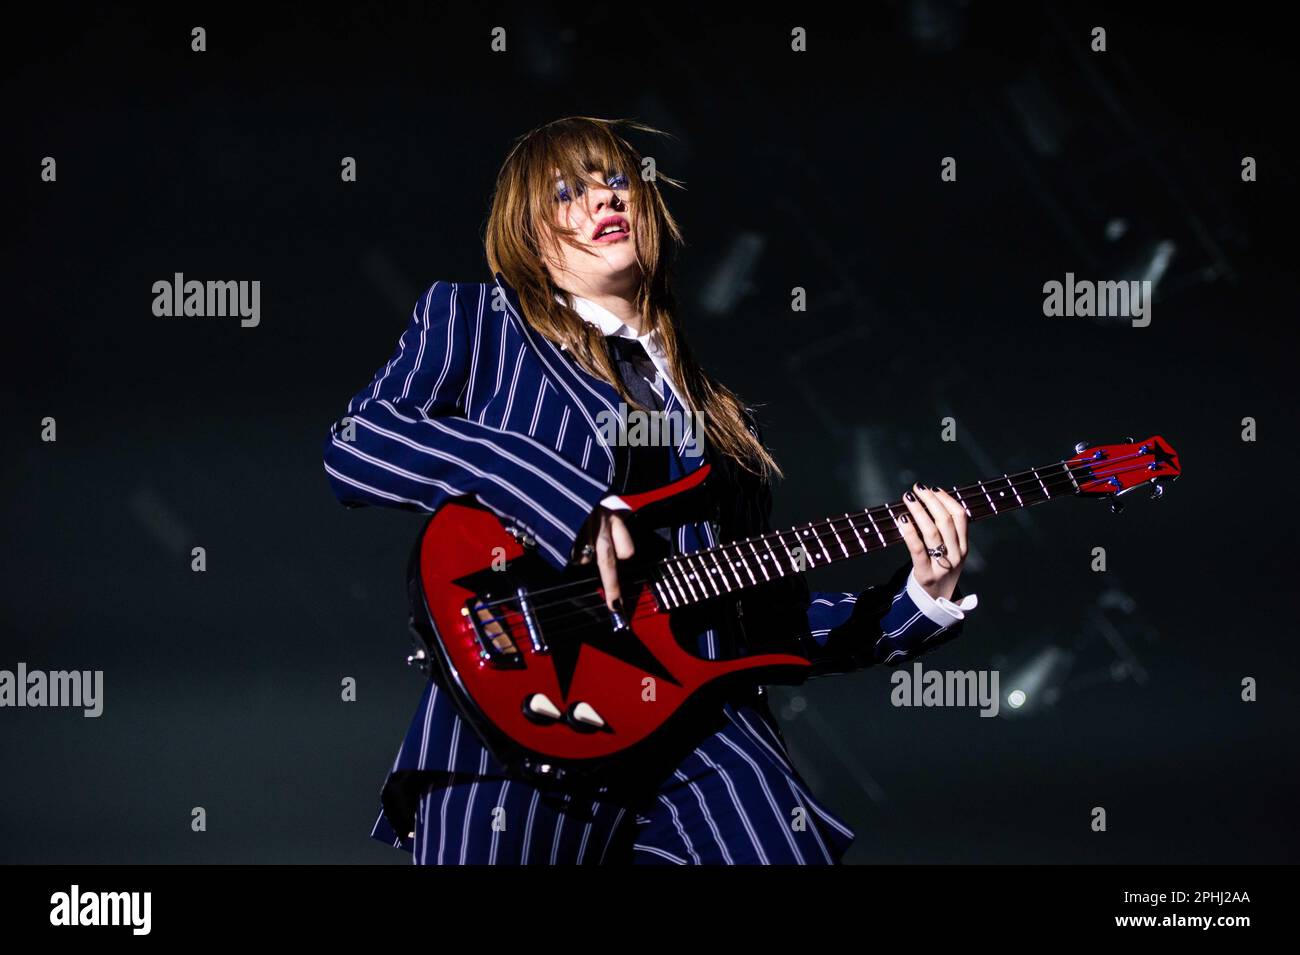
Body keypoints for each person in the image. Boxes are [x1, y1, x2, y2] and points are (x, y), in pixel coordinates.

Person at [321, 116, 978, 865]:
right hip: (520, 720)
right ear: (531, 239)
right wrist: (561, 499)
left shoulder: (715, 418)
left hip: (698, 732)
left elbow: (750, 621)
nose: (604, 199)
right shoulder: (479, 323)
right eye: (567, 192)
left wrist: (916, 598)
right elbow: (359, 443)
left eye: (617, 181)